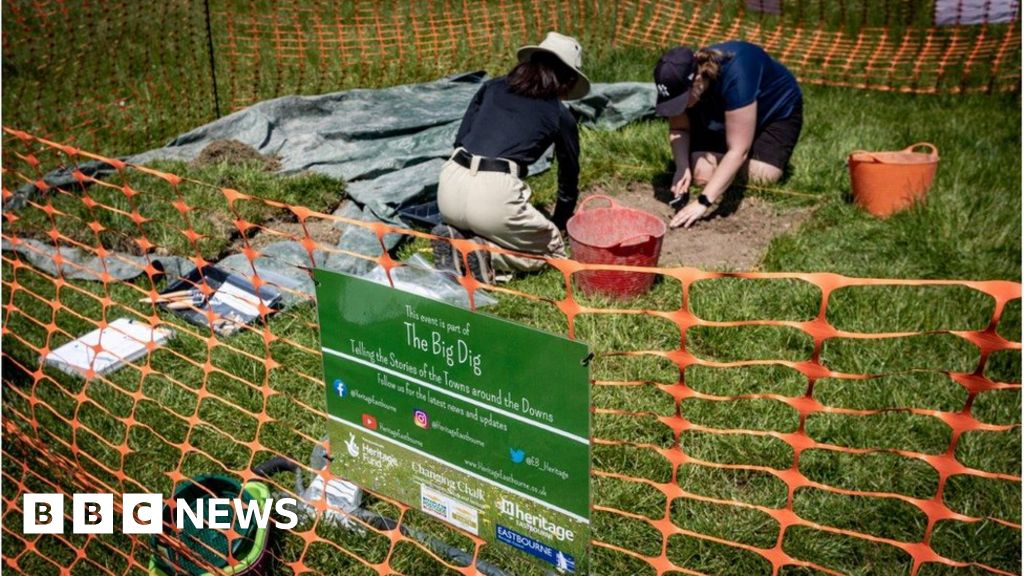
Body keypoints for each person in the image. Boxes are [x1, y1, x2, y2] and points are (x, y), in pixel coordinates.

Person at [431, 31, 589, 282]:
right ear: (567, 80)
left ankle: (457, 235)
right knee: (551, 252)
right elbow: (568, 175)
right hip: (495, 194)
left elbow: (461, 139)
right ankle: (486, 254)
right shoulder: (560, 114)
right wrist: (558, 224)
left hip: (450, 185)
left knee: (483, 218)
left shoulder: (491, 87)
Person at [654, 40, 803, 228]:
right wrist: (681, 167)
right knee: (701, 175)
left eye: (682, 100)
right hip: (724, 111)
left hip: (775, 113)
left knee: (764, 177)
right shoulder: (682, 82)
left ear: (698, 80)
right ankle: (729, 145)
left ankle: (738, 147)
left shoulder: (737, 77)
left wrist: (703, 202)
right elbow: (679, 129)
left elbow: (738, 150)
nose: (679, 108)